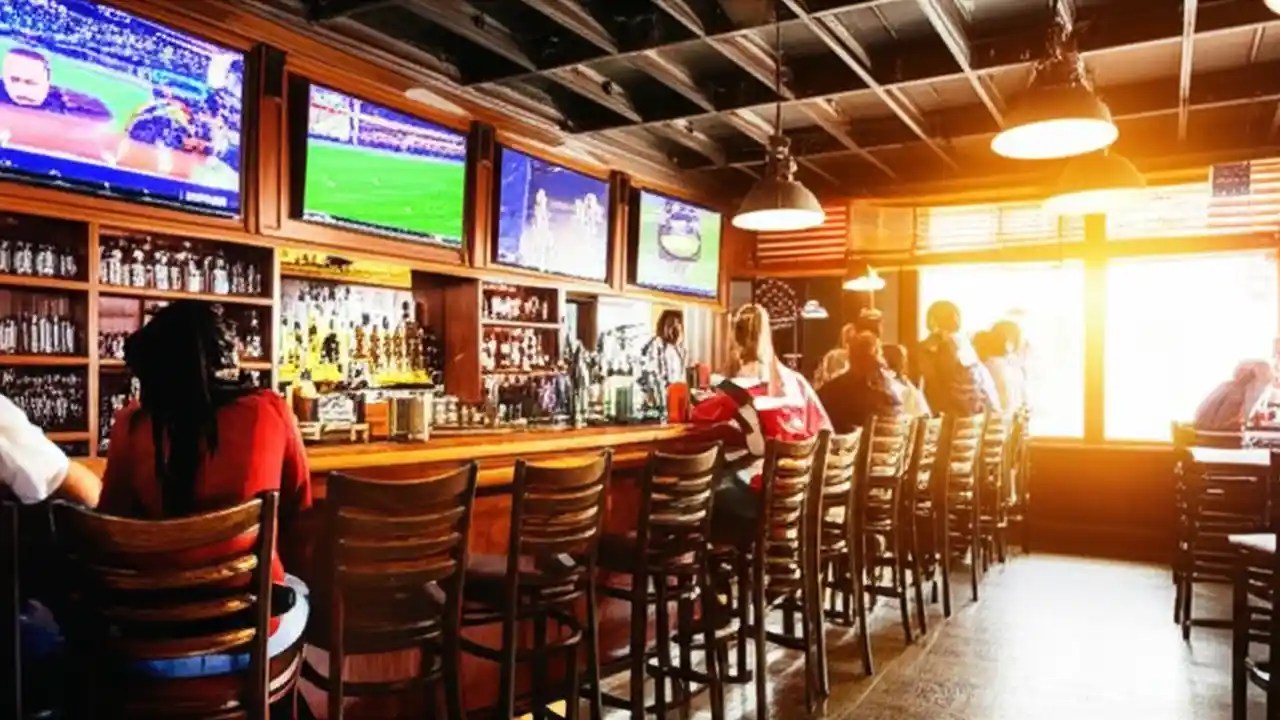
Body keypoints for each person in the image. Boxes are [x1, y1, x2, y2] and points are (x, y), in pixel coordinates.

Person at [98, 302, 312, 682]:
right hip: (247, 636)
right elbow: (300, 510)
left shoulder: (131, 424)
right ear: (221, 355)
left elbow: (110, 525)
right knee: (298, 592)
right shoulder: (268, 411)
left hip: (148, 639)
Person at [692, 304, 830, 524]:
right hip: (802, 493)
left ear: (735, 342)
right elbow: (826, 430)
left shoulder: (736, 388)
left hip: (763, 495)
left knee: (701, 494)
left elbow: (698, 417)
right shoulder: (797, 381)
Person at [918, 300, 1000, 417]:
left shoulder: (934, 347)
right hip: (972, 417)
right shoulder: (967, 348)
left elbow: (933, 383)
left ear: (931, 320)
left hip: (944, 417)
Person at [818, 331, 901, 433]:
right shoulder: (889, 397)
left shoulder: (829, 392)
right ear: (877, 359)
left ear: (850, 358)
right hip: (890, 448)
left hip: (846, 448)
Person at [1194, 360, 1274, 431]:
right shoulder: (1236, 396)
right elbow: (1232, 424)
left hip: (1203, 434)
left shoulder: (1227, 386)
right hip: (1216, 439)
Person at [883, 344, 930, 418]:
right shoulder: (886, 383)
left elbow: (922, 407)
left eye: (904, 358)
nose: (904, 361)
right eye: (900, 358)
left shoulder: (908, 383)